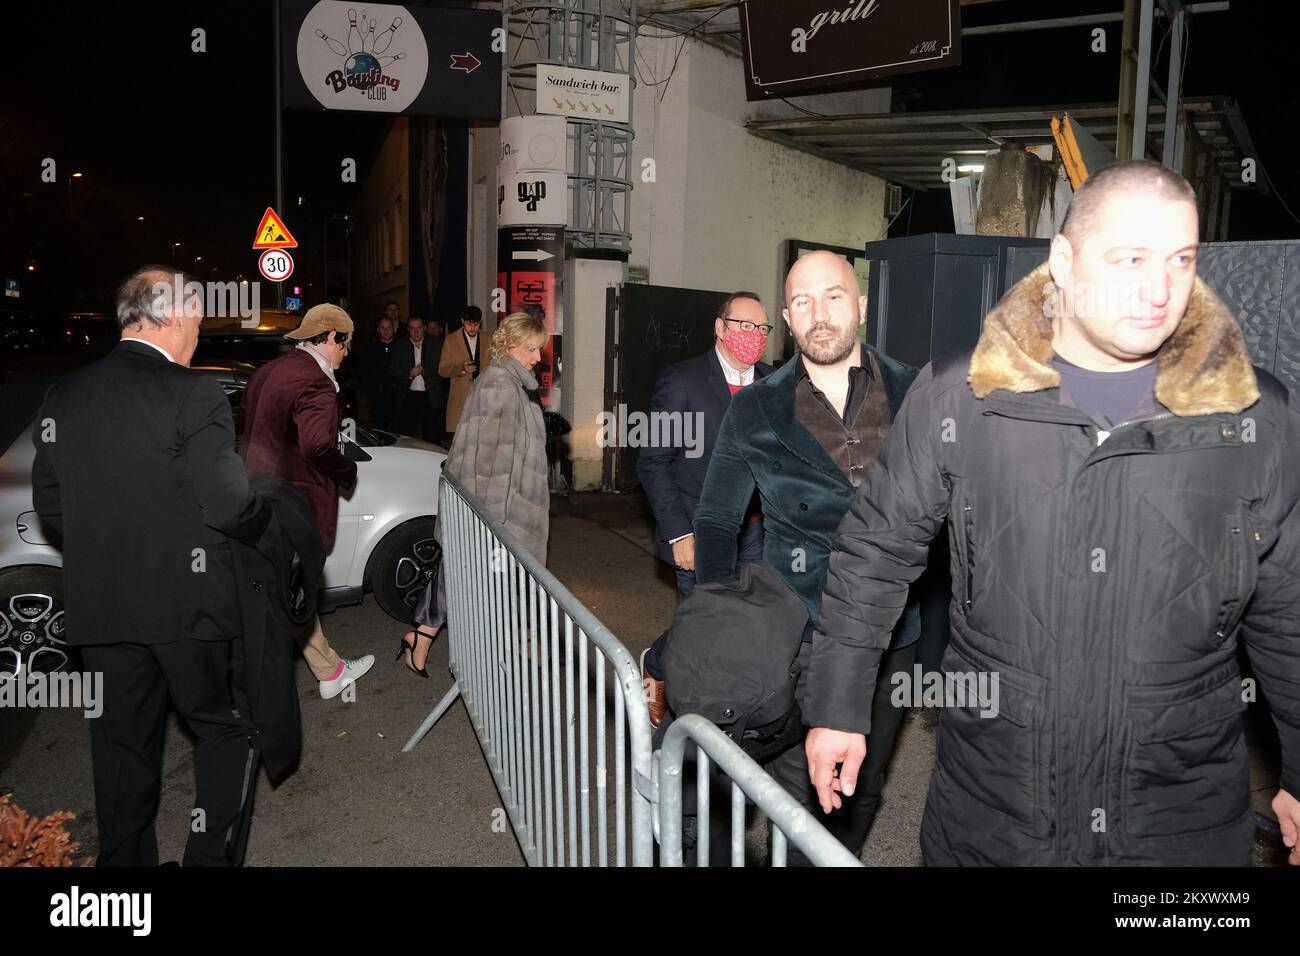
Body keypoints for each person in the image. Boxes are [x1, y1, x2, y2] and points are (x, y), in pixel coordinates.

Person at [804, 160, 1300, 867]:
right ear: (1064, 261)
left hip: (1177, 822)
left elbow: (1289, 606)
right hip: (996, 813)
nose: (1160, 290)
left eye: (1180, 259)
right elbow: (875, 553)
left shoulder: (1255, 417)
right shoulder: (961, 397)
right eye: (1129, 258)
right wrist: (837, 704)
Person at [30, 266, 271, 866]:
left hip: (101, 609)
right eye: (194, 317)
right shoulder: (193, 393)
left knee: (119, 753)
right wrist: (270, 524)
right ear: (167, 317)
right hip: (188, 609)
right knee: (226, 730)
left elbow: (52, 506)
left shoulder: (66, 396)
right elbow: (227, 504)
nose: (198, 332)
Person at [692, 251, 923, 865]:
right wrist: (721, 625)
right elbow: (715, 521)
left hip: (893, 635)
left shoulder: (917, 392)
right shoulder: (755, 408)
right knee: (795, 790)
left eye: (834, 296)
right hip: (797, 632)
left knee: (859, 788)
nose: (819, 315)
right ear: (788, 320)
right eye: (801, 302)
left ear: (862, 305)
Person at [636, 291, 775, 726]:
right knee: (702, 626)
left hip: (758, 530)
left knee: (748, 623)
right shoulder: (682, 380)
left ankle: (731, 713)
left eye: (762, 328)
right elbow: (654, 462)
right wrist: (679, 534)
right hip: (699, 529)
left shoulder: (776, 382)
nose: (753, 335)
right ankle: (660, 668)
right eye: (743, 325)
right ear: (720, 327)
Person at [399, 312, 549, 675]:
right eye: (532, 349)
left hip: (502, 511)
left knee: (476, 578)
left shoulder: (510, 382)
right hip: (501, 514)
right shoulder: (501, 385)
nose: (539, 357)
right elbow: (488, 466)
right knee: (486, 584)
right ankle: (486, 661)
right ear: (512, 346)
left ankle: (425, 637)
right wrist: (493, 532)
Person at [240, 304, 376, 701]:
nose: (346, 353)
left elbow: (246, 425)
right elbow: (317, 446)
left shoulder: (269, 371)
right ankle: (252, 690)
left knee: (285, 585)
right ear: (331, 336)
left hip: (255, 491)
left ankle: (328, 669)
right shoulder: (316, 383)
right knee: (281, 589)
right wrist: (346, 470)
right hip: (291, 501)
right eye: (345, 343)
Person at [389, 315, 445, 444]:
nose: (416, 332)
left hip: (430, 395)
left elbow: (443, 368)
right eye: (412, 328)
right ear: (407, 329)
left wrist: (424, 371)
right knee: (407, 435)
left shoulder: (436, 343)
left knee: (432, 435)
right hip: (408, 395)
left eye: (419, 328)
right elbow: (392, 370)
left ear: (425, 328)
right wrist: (409, 373)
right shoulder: (400, 345)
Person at [440, 305, 489, 442]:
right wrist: (461, 369)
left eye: (476, 324)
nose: (473, 328)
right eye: (469, 324)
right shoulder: (451, 340)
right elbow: (442, 369)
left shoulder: (489, 339)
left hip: (483, 398)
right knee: (461, 442)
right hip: (460, 399)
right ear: (462, 321)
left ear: (480, 322)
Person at [359, 315, 401, 429]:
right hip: (377, 400)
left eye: (389, 327)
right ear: (378, 330)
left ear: (394, 329)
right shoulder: (370, 350)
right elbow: (365, 374)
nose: (386, 330)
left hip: (399, 400)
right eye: (382, 328)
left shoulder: (402, 347)